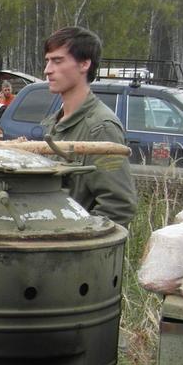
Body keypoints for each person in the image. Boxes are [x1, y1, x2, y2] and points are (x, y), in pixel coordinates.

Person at [39, 26, 136, 225]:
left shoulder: (100, 128)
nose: (47, 70)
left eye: (58, 61)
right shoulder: (56, 123)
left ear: (84, 64)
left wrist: (71, 238)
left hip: (70, 249)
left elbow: (119, 206)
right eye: (48, 61)